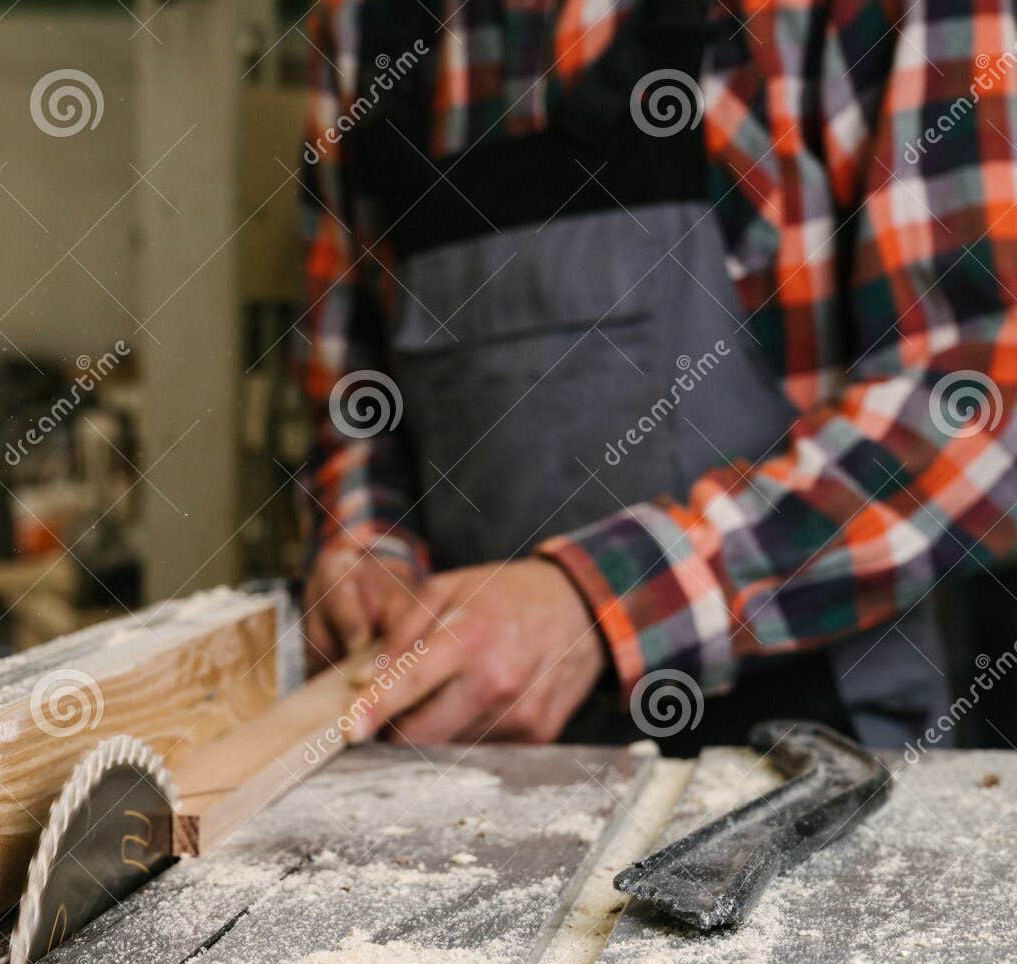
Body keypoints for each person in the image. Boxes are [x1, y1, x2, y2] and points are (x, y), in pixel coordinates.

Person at [298, 0, 1017, 752]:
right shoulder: (354, 25)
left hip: (806, 759)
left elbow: (977, 403)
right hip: (465, 762)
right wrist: (368, 542)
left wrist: (598, 600)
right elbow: (352, 394)